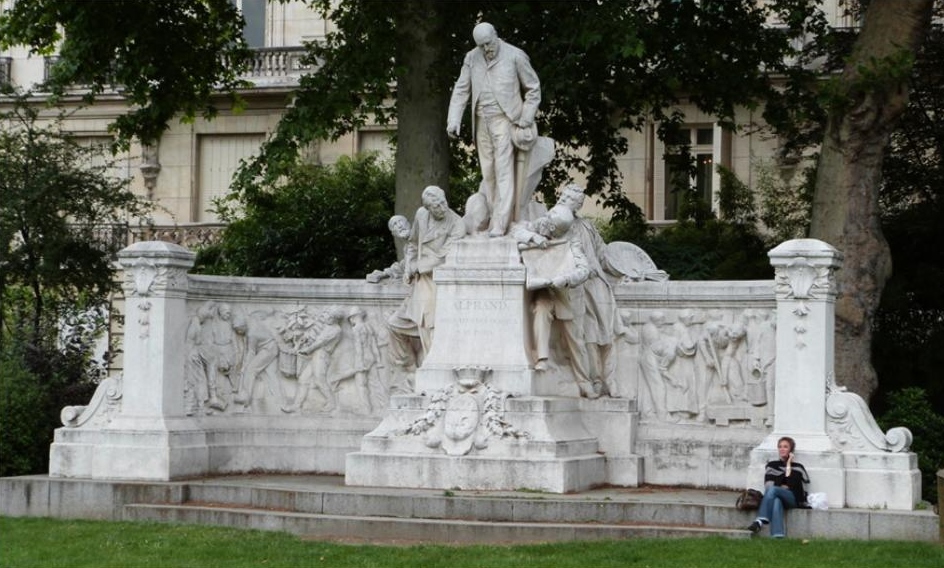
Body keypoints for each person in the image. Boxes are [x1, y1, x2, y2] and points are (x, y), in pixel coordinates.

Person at [447, 22, 541, 237]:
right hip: (481, 120)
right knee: (488, 172)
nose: (486, 49)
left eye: (488, 44)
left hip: (505, 120)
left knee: (504, 170)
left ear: (496, 36)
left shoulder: (516, 56)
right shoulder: (472, 58)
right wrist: (454, 119)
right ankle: (494, 217)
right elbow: (461, 90)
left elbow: (533, 89)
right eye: (481, 46)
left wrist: (526, 118)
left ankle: (501, 222)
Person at [387, 186, 466, 368]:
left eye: (443, 203)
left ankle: (434, 365)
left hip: (437, 278)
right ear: (428, 208)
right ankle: (407, 364)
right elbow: (414, 243)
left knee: (430, 321)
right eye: (436, 206)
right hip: (419, 279)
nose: (442, 208)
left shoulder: (457, 224)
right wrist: (408, 266)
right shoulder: (422, 215)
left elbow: (444, 257)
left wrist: (416, 267)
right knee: (396, 323)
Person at [746, 436, 811, 538]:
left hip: (793, 499)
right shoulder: (772, 465)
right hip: (776, 496)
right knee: (776, 500)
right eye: (780, 446)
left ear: (791, 450)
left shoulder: (798, 467)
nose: (782, 449)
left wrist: (789, 464)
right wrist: (782, 485)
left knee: (774, 490)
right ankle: (778, 535)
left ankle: (760, 520)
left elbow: (794, 486)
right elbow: (768, 485)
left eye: (785, 447)